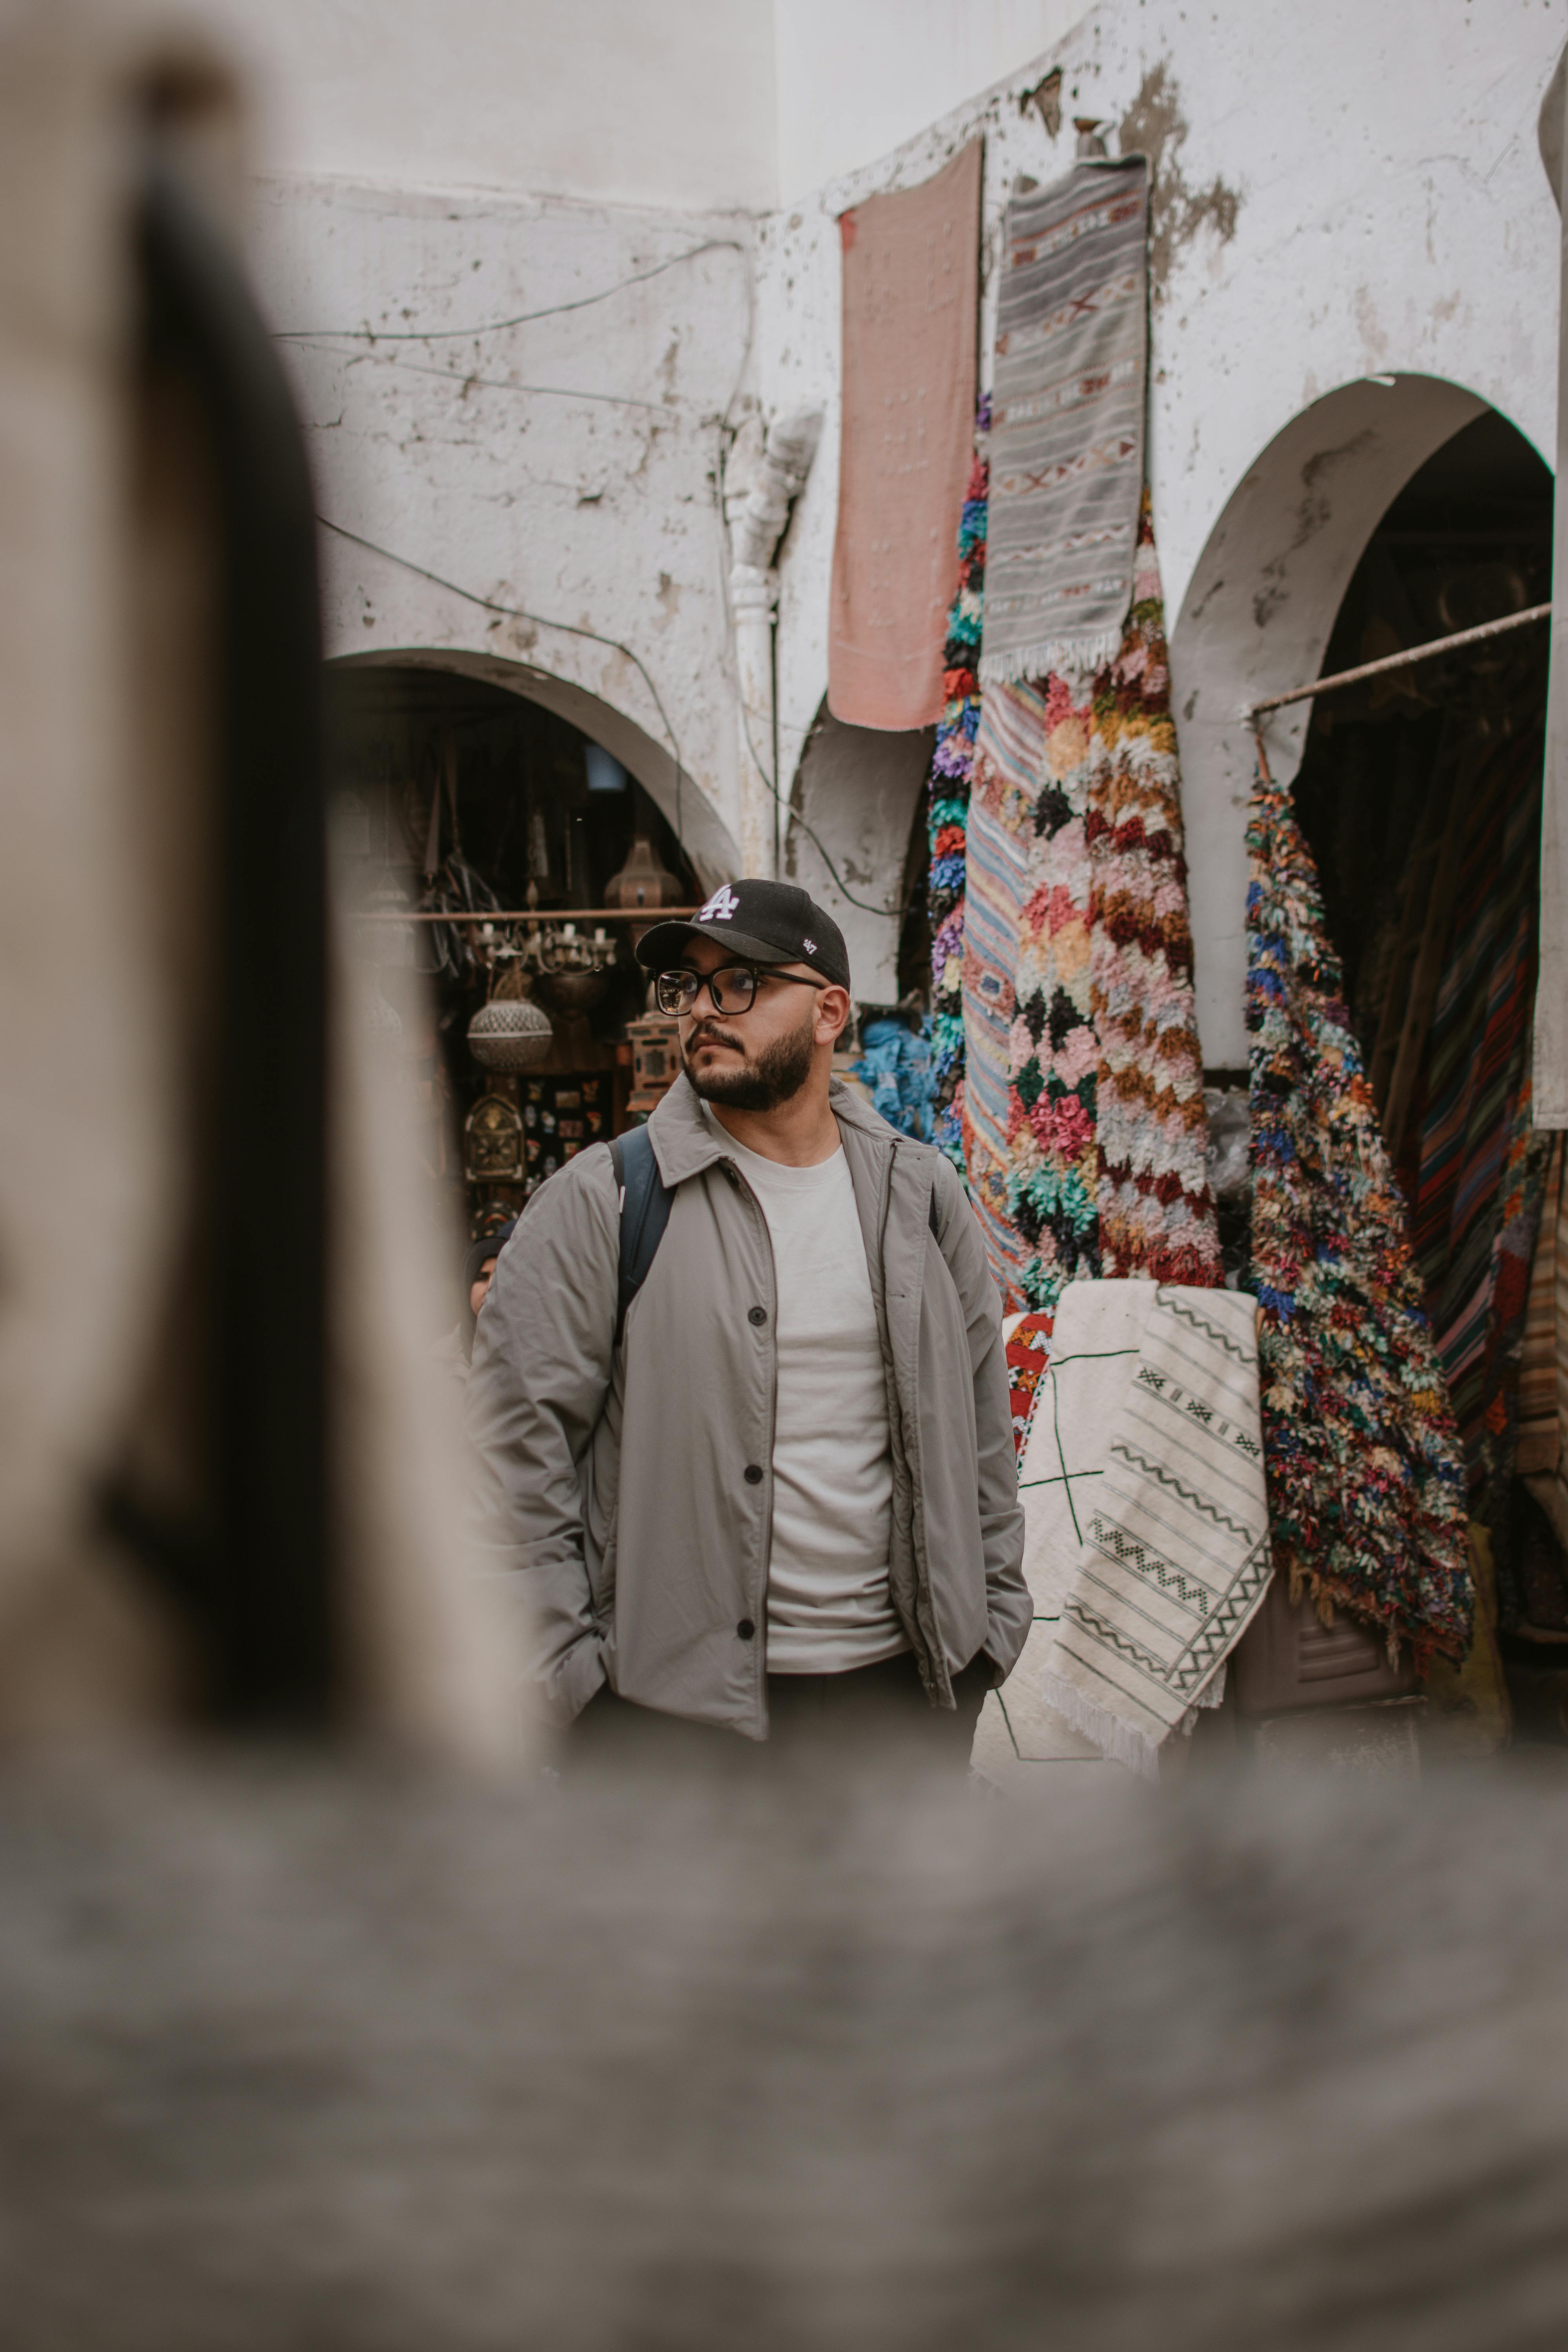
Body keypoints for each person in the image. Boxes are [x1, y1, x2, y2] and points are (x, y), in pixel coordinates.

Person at [465, 880, 1028, 1769]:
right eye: (688, 987)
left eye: (741, 985)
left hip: (907, 1700)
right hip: (674, 1727)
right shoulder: (601, 1202)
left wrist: (991, 1629)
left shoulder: (920, 1196)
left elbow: (983, 1438)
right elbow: (508, 1471)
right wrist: (574, 1689)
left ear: (829, 1012)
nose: (701, 1011)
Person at [432, 1221, 516, 1390]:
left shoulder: (531, 1355)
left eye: (500, 1276)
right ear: (467, 1287)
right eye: (481, 1278)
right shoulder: (438, 1362)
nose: (491, 1288)